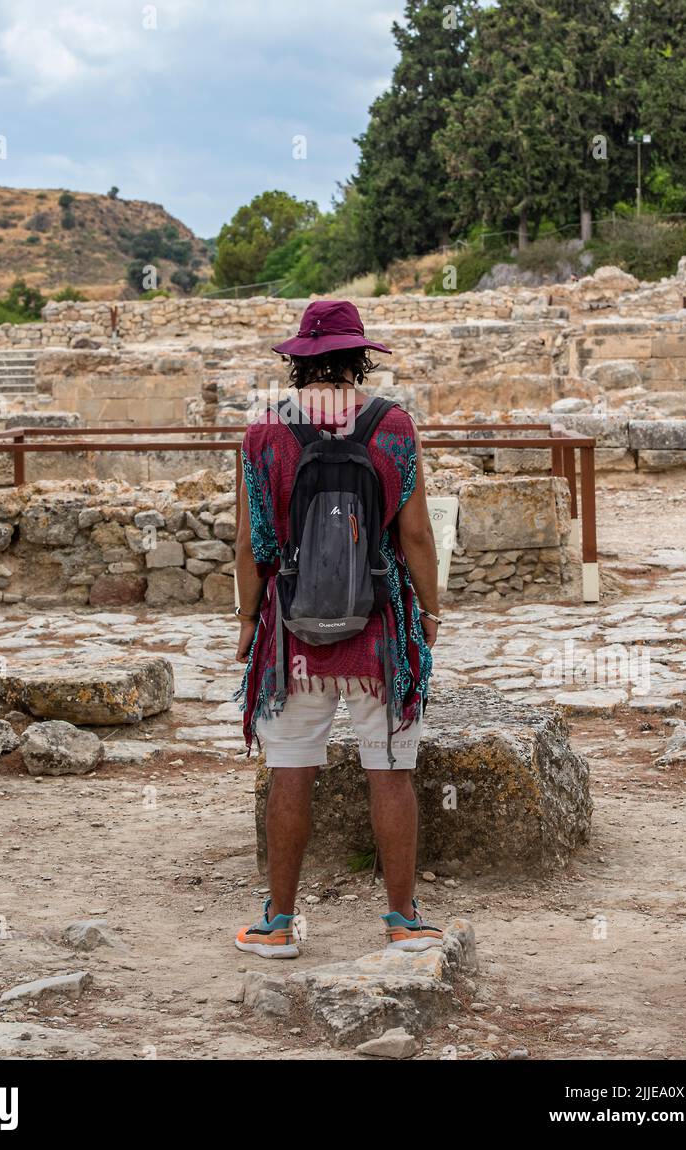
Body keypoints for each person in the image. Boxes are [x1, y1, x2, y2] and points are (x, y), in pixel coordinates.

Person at [232, 299, 442, 959]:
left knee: (291, 772)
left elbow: (250, 545)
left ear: (298, 363)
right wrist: (429, 612)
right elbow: (415, 536)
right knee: (389, 773)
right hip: (380, 634)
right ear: (357, 357)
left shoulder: (263, 433)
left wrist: (246, 620)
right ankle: (403, 921)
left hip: (291, 635)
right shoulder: (393, 427)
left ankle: (277, 926)